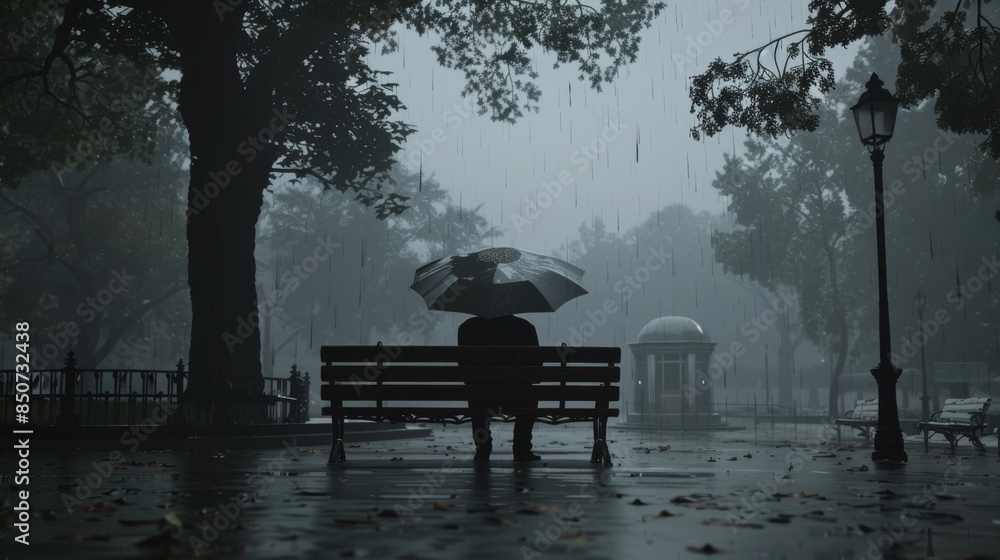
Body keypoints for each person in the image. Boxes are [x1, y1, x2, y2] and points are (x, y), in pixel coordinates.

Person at [458, 314, 541, 462]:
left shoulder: (467, 328)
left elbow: (465, 373)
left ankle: (482, 449)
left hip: (482, 396)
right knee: (530, 395)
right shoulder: (525, 327)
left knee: (475, 394)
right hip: (517, 396)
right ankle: (521, 448)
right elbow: (536, 374)